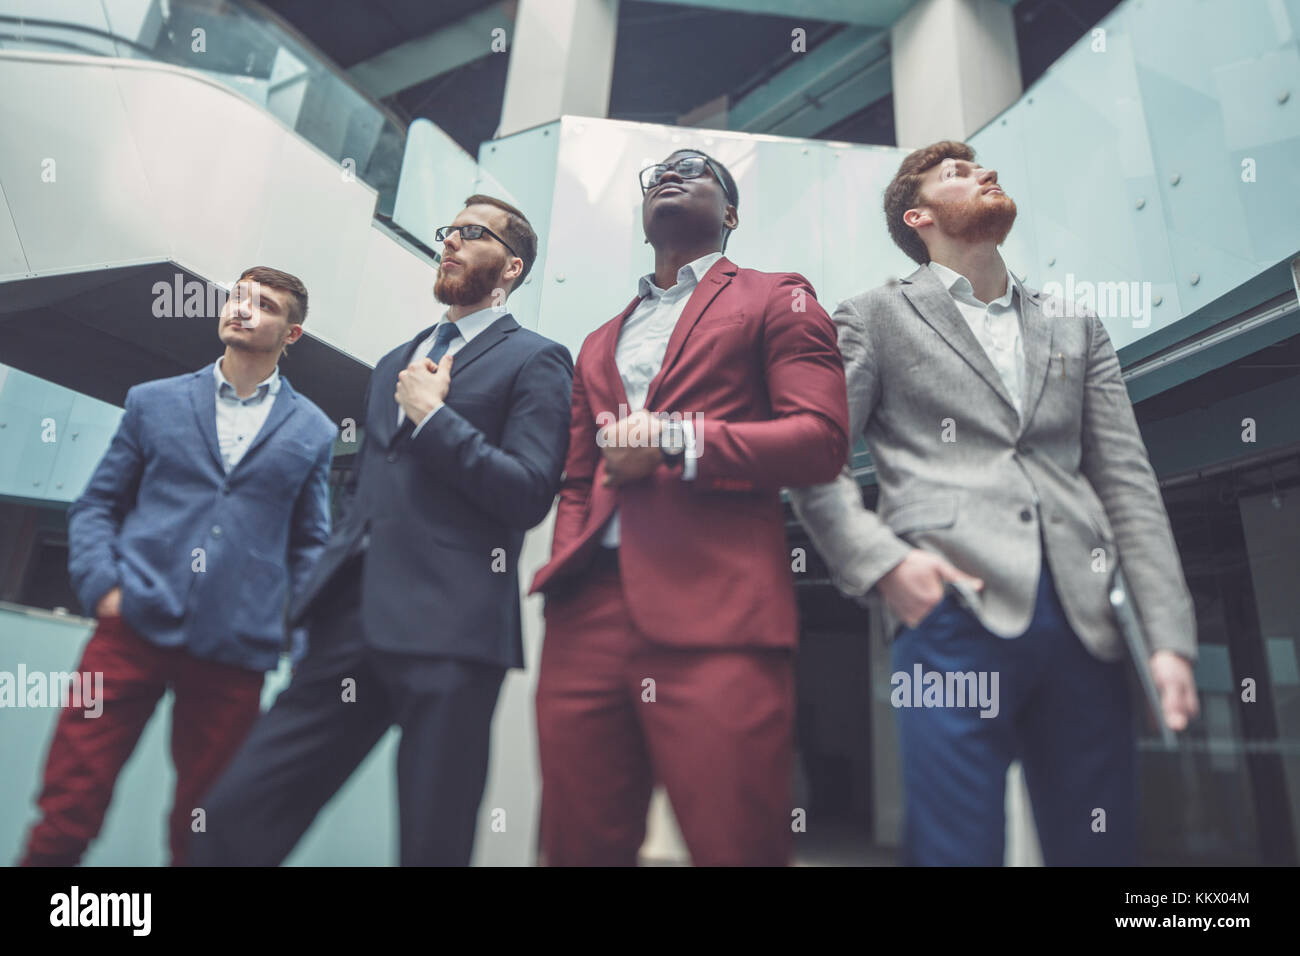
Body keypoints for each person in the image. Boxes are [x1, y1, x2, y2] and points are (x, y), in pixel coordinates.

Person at [790, 141, 1200, 866]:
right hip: (950, 614)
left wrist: (1166, 639)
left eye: (985, 168)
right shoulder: (873, 316)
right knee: (956, 850)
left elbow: (1128, 483)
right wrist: (884, 565)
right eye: (958, 173)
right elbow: (815, 457)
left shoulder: (1078, 324)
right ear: (918, 216)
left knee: (1100, 849)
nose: (986, 174)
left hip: (1087, 620)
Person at [190, 196, 573, 867]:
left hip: (453, 636)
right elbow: (367, 496)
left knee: (432, 847)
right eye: (447, 231)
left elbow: (528, 493)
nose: (450, 242)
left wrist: (433, 419)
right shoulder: (397, 359)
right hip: (348, 623)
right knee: (234, 816)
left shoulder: (537, 360)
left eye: (471, 234)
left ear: (511, 267)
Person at [529, 149, 850, 866]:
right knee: (576, 847)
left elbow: (821, 440)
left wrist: (679, 440)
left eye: (695, 169)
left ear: (730, 215)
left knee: (736, 843)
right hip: (586, 616)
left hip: (719, 607)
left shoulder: (778, 295)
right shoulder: (596, 342)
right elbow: (578, 479)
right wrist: (566, 567)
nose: (669, 175)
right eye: (658, 174)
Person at [19, 266, 335, 866]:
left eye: (264, 305)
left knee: (206, 827)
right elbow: (96, 506)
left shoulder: (314, 432)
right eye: (238, 298)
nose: (243, 310)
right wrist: (103, 589)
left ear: (291, 334)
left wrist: (300, 643)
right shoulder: (153, 401)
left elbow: (311, 549)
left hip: (235, 652)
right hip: (128, 630)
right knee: (69, 802)